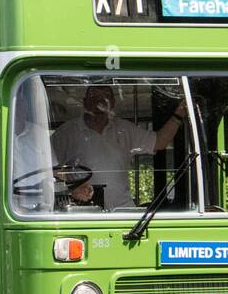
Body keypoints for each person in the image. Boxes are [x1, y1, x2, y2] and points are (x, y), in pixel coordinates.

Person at [51, 84, 186, 209]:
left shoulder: (124, 129)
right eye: (94, 96)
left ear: (113, 102)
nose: (100, 100)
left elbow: (159, 142)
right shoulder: (66, 132)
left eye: (105, 96)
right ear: (84, 101)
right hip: (82, 211)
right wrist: (71, 188)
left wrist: (180, 113)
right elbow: (50, 169)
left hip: (122, 211)